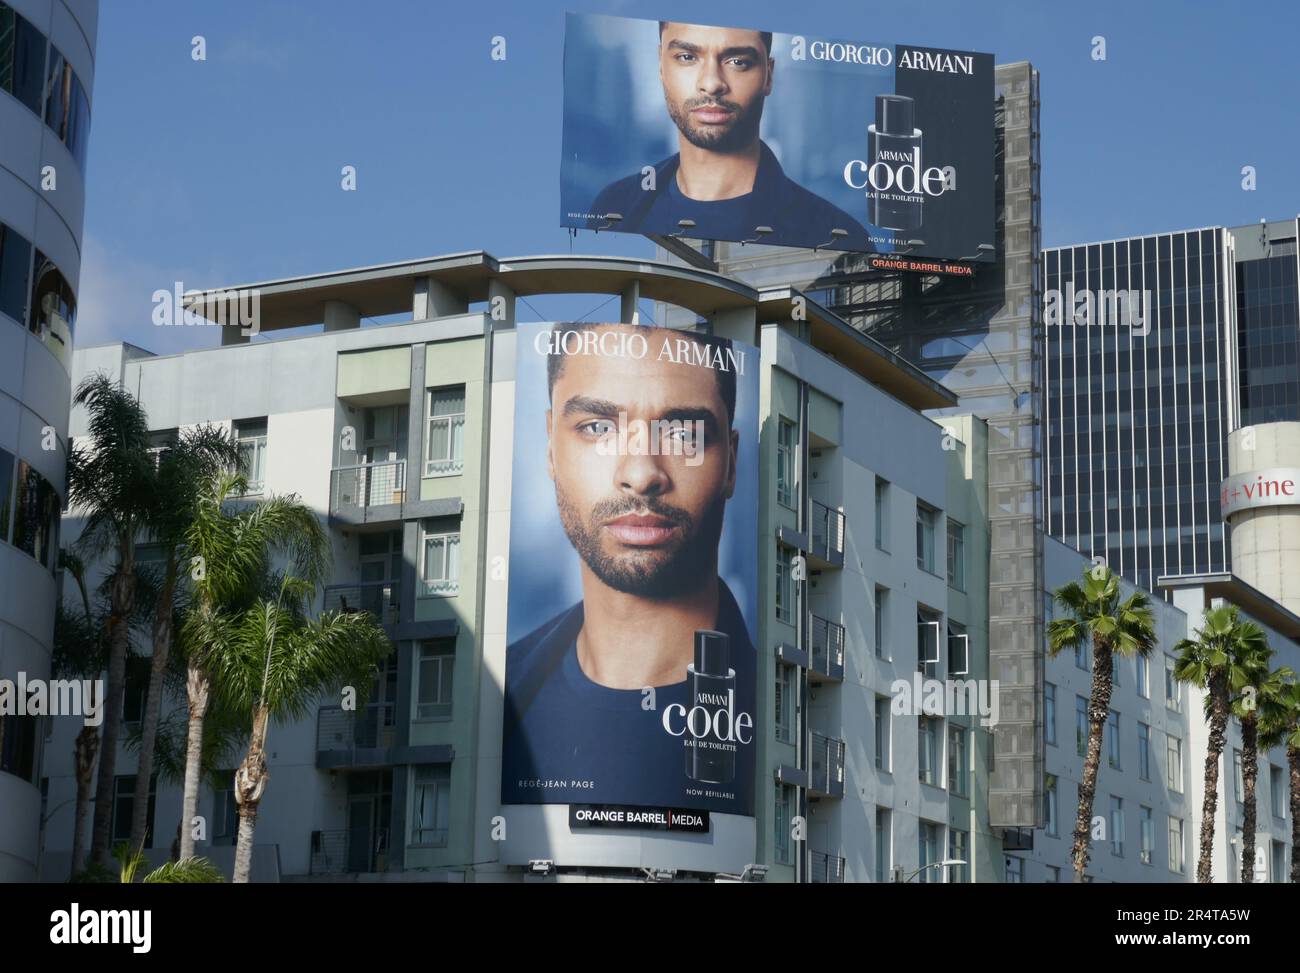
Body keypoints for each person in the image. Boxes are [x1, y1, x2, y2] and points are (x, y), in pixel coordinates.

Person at [502, 323, 755, 815]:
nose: (641, 474)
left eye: (684, 433)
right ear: (551, 448)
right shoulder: (498, 694)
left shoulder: (777, 705)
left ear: (731, 463)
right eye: (598, 428)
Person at [586, 20, 874, 251]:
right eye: (687, 57)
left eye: (737, 61)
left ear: (768, 76)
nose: (711, 83)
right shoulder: (614, 207)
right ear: (661, 66)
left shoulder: (837, 235)